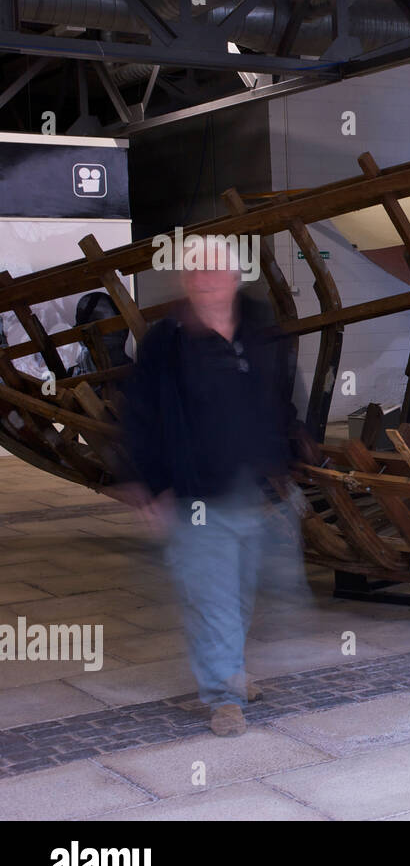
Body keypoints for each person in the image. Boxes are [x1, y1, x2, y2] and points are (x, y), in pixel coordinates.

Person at [117, 236, 302, 737]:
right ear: (184, 280)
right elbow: (140, 415)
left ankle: (231, 670)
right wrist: (149, 483)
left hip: (255, 490)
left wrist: (290, 462)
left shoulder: (260, 330)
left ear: (235, 276)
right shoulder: (167, 341)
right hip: (195, 494)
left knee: (241, 594)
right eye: (195, 271)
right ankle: (223, 697)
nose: (206, 279)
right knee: (212, 596)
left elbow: (281, 402)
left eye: (215, 270)